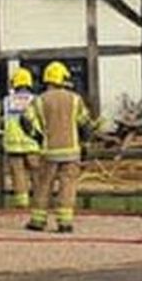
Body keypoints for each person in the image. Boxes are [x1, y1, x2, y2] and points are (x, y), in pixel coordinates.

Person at [22, 61, 92, 233]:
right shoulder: (75, 99)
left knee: (43, 185)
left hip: (49, 151)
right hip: (71, 151)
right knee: (67, 186)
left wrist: (37, 136)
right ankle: (65, 223)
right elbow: (85, 125)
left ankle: (38, 221)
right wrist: (85, 144)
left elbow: (25, 120)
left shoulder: (39, 100)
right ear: (63, 78)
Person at [0, 68, 41, 209]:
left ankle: (22, 205)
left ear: (14, 83)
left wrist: (3, 125)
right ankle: (40, 201)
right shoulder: (36, 100)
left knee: (18, 177)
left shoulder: (6, 101)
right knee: (37, 175)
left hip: (13, 146)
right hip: (33, 145)